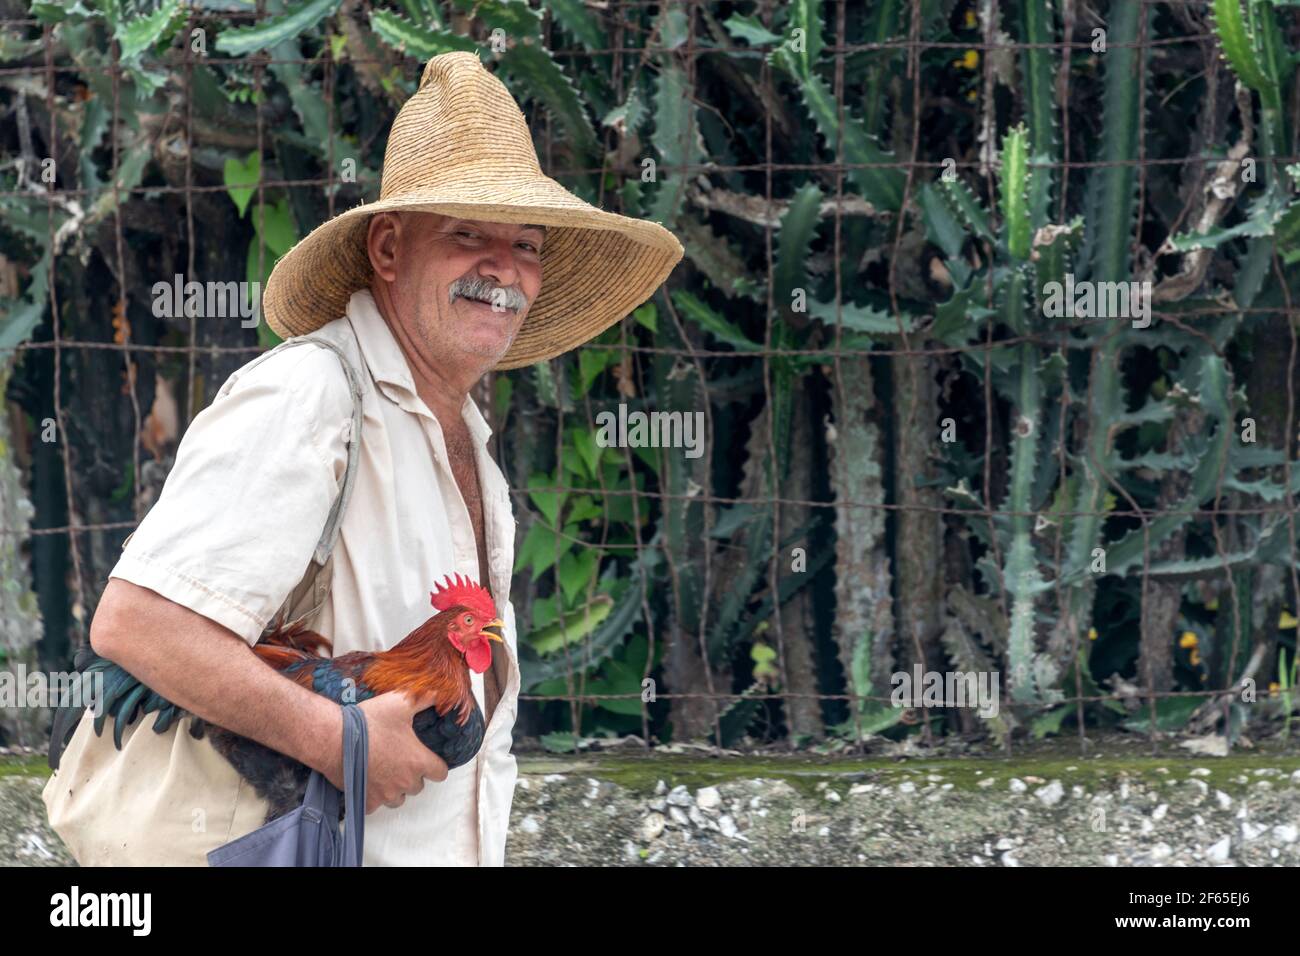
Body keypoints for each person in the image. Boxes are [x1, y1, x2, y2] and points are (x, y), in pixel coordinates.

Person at [42, 50, 682, 866]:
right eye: (466, 235)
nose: (505, 269)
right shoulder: (313, 394)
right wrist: (338, 736)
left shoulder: (467, 444)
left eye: (526, 244)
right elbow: (136, 623)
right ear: (388, 248)